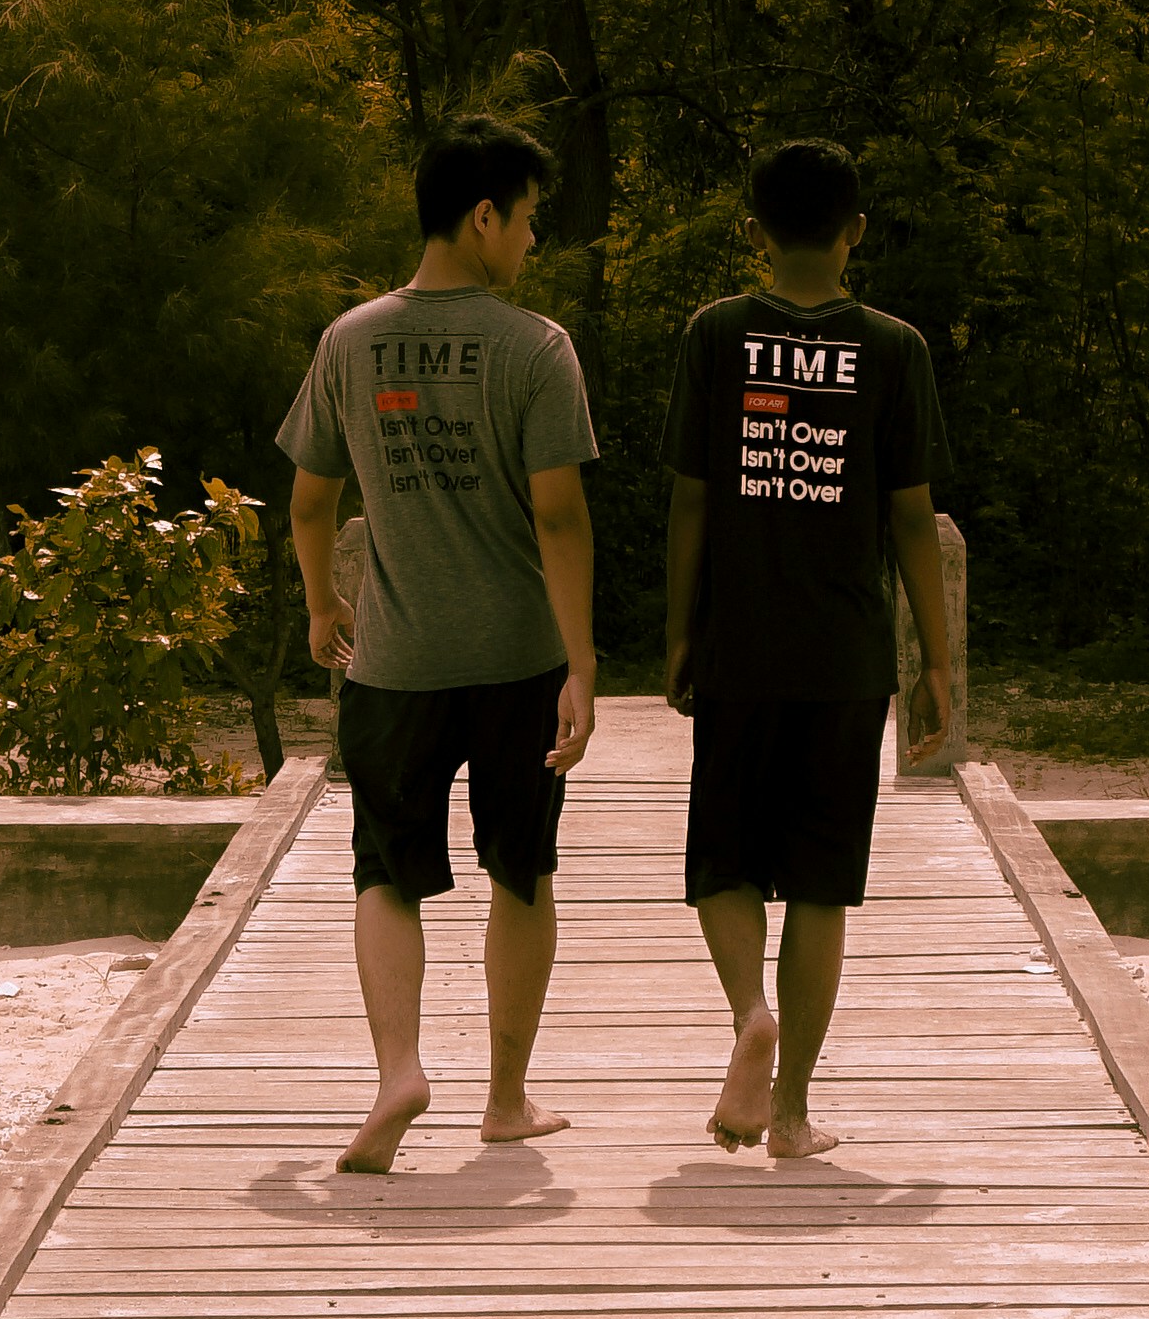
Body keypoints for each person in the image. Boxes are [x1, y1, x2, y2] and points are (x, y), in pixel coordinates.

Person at [283, 122, 600, 1177]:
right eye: (528, 219)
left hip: (394, 664)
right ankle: (506, 1100)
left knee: (386, 869)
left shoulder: (349, 341)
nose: (531, 242)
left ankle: (399, 1072)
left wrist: (325, 605)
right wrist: (584, 664)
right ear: (483, 217)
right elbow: (560, 519)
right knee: (522, 871)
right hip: (517, 660)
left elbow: (310, 497)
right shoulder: (536, 348)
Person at [664, 139, 962, 1159]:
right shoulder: (892, 349)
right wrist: (935, 654)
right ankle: (789, 1112)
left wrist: (677, 629)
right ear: (854, 233)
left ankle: (749, 1010)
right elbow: (913, 517)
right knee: (823, 882)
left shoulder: (714, 337)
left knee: (724, 861)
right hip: (844, 655)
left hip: (740, 643)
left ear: (754, 232)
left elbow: (692, 499)